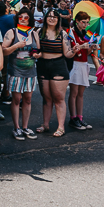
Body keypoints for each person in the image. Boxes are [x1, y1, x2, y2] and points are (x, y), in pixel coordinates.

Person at [33, 9, 75, 137]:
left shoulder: (62, 33)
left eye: (55, 17)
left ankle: (61, 127)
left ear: (58, 20)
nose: (52, 18)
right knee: (46, 98)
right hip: (42, 66)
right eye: (49, 16)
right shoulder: (39, 32)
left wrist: (75, 50)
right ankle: (45, 124)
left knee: (58, 98)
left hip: (58, 66)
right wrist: (36, 54)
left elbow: (67, 54)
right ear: (45, 18)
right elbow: (36, 49)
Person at [2, 9, 38, 141]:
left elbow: (38, 50)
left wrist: (37, 54)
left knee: (27, 100)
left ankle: (25, 127)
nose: (23, 19)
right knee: (16, 100)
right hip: (15, 72)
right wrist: (15, 46)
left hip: (30, 72)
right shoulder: (12, 32)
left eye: (26, 17)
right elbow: (3, 51)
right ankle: (16, 127)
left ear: (30, 19)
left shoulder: (33, 33)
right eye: (20, 17)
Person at [68, 11, 93, 130]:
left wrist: (91, 47)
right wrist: (81, 46)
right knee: (74, 92)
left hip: (84, 63)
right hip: (75, 63)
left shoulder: (86, 34)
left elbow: (86, 53)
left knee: (81, 94)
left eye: (87, 23)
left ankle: (80, 117)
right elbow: (71, 49)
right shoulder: (71, 32)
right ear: (77, 21)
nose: (85, 25)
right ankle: (73, 118)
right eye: (83, 22)